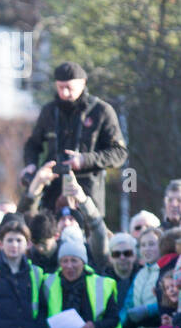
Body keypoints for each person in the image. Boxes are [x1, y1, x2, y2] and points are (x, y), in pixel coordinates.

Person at [21, 61, 128, 215]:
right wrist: (31, 165)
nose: (64, 93)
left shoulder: (101, 111)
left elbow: (120, 153)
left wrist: (85, 160)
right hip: (53, 192)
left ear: (83, 84)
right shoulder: (49, 111)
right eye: (60, 88)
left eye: (69, 88)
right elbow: (32, 144)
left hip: (87, 192)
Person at [123, 227, 163, 328]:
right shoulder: (139, 274)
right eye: (143, 245)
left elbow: (174, 304)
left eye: (152, 244)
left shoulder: (168, 271)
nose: (147, 249)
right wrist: (120, 322)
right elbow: (128, 304)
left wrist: (149, 310)